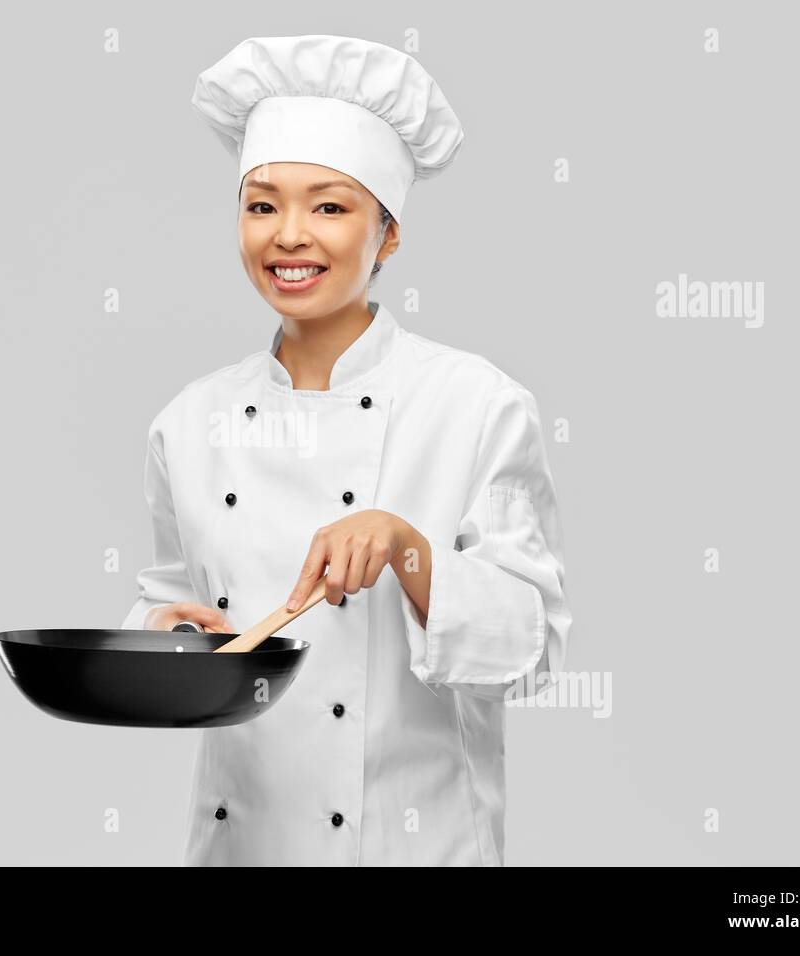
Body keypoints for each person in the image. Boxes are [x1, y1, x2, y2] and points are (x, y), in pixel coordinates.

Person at [121, 35, 572, 866]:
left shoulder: (474, 405)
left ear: (388, 235)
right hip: (238, 844)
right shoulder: (189, 422)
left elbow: (534, 649)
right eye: (262, 206)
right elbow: (166, 594)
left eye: (329, 206)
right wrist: (164, 630)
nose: (290, 236)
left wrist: (407, 548)